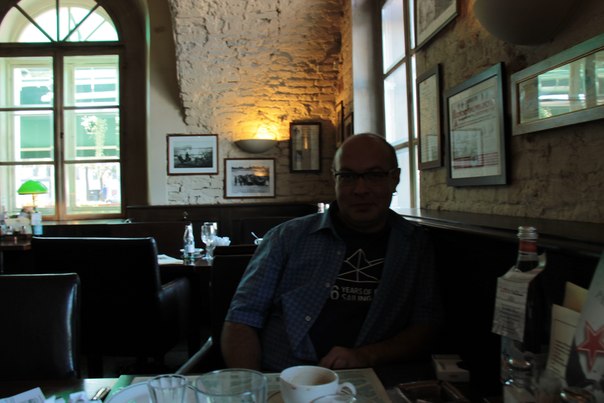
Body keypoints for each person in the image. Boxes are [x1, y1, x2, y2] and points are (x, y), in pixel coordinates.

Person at [221, 132, 444, 371]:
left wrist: (366, 356)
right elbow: (242, 319)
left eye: (374, 175)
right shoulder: (286, 237)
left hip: (370, 380)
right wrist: (253, 386)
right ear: (334, 179)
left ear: (395, 178)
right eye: (347, 176)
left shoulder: (415, 245)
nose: (360, 189)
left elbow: (425, 326)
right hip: (282, 376)